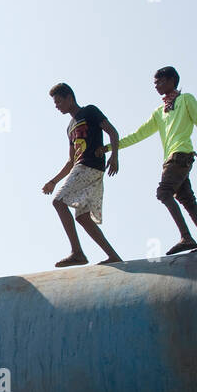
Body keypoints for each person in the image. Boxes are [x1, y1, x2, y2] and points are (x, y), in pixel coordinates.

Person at [118, 66, 197, 254]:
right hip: (170, 160)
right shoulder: (160, 112)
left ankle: (186, 237)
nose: (156, 85)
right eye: (155, 83)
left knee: (164, 192)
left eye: (161, 81)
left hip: (180, 156)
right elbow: (138, 134)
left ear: (172, 80)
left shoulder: (186, 99)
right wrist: (111, 147)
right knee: (187, 200)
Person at [43, 83, 125, 266]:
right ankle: (114, 257)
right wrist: (53, 181)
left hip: (89, 166)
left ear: (69, 97)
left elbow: (112, 132)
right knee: (82, 216)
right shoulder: (69, 127)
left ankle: (77, 252)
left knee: (58, 202)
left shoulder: (89, 111)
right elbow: (71, 161)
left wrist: (114, 156)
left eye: (58, 101)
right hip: (81, 168)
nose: (57, 106)